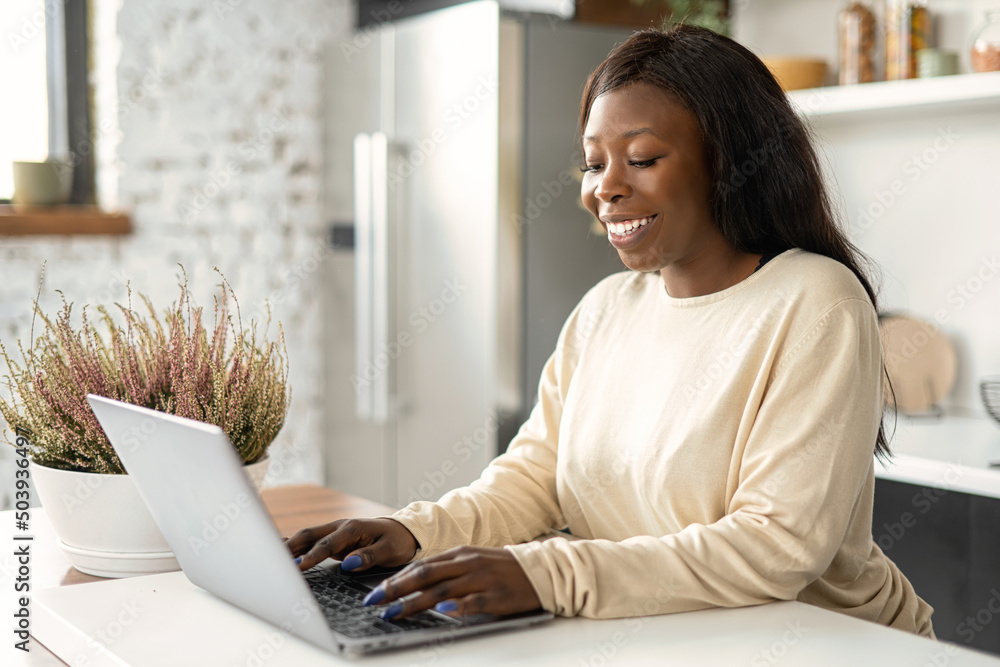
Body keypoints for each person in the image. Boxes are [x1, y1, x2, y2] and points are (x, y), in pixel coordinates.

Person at [286, 24, 934, 636]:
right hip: (672, 634)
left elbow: (776, 545)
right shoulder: (605, 309)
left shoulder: (816, 301)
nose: (606, 189)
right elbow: (531, 481)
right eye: (596, 164)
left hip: (836, 643)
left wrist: (547, 574)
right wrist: (413, 533)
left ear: (728, 160)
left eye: (642, 157)